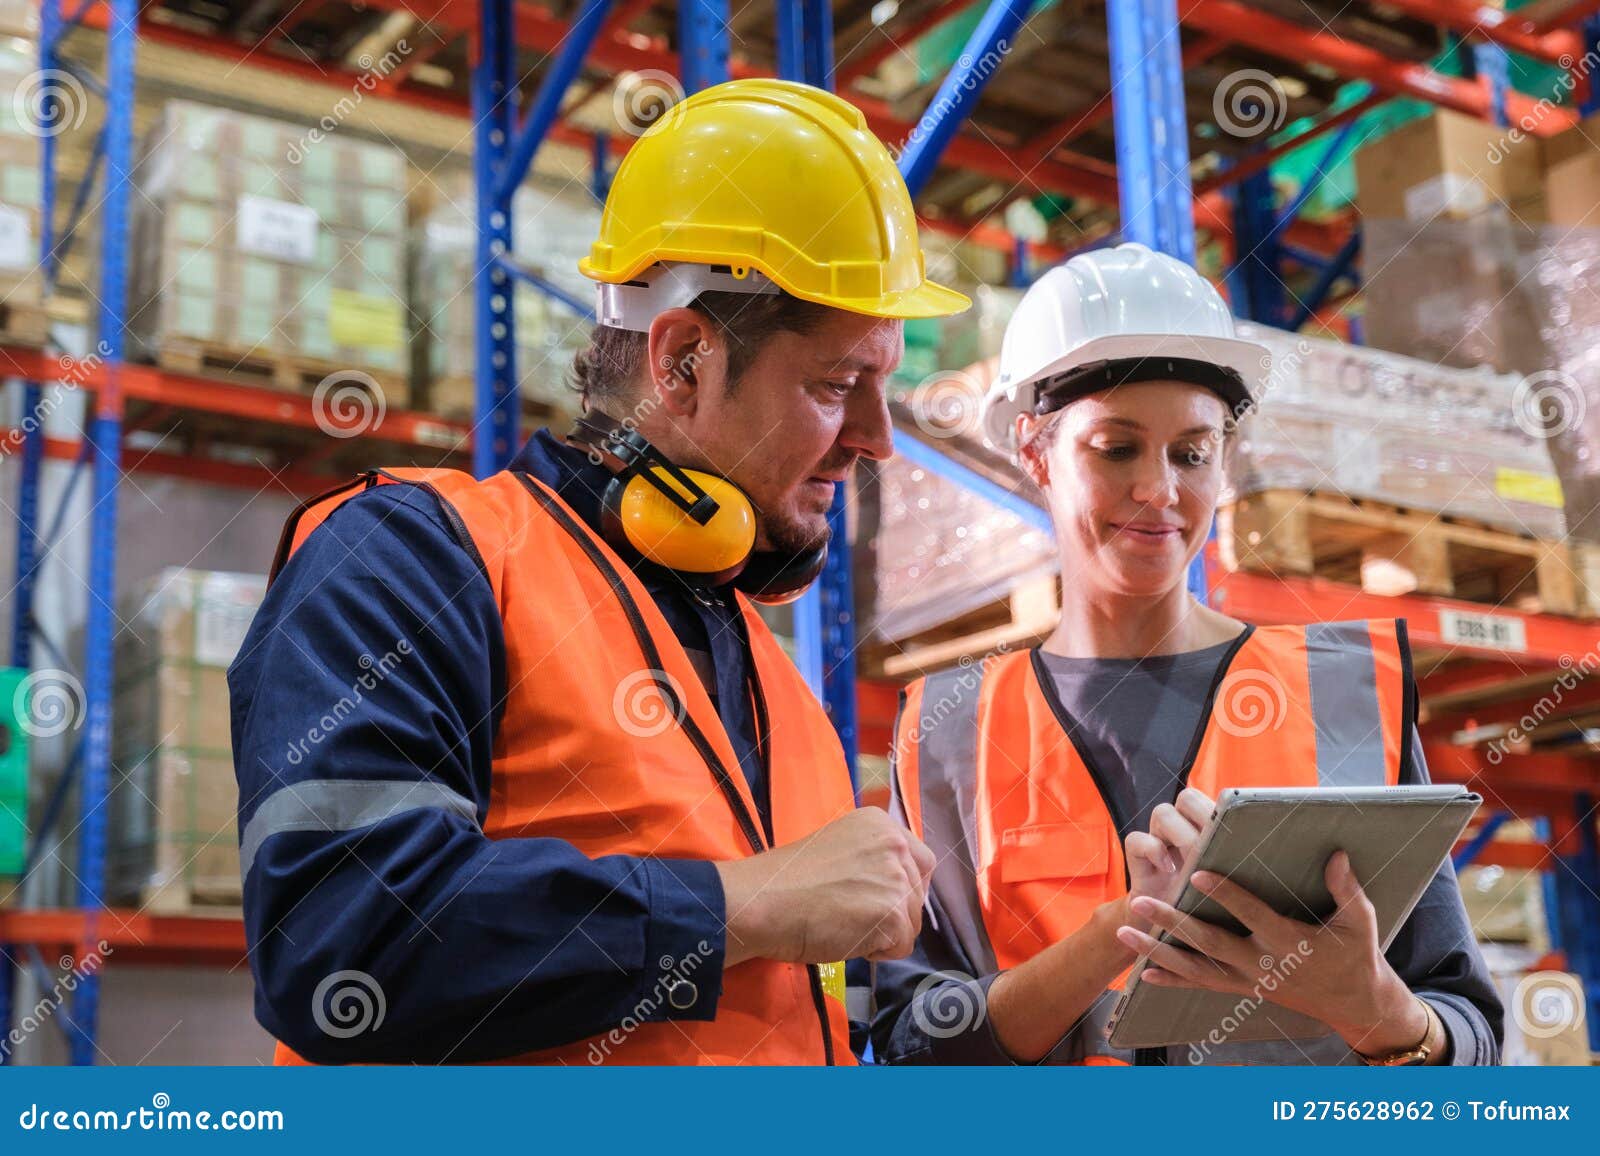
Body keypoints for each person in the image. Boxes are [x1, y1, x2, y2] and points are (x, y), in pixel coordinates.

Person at [229, 78, 962, 1066]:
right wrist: (749, 902)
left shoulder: (772, 682)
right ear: (685, 361)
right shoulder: (417, 557)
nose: (876, 440)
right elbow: (339, 947)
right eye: (838, 386)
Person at [869, 243, 1503, 1066]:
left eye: (1192, 453)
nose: (1160, 491)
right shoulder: (949, 734)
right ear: (1034, 454)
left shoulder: (1342, 693)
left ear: (1224, 458)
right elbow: (912, 1045)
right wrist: (1111, 938)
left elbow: (1474, 1042)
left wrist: (1379, 1009)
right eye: (1116, 447)